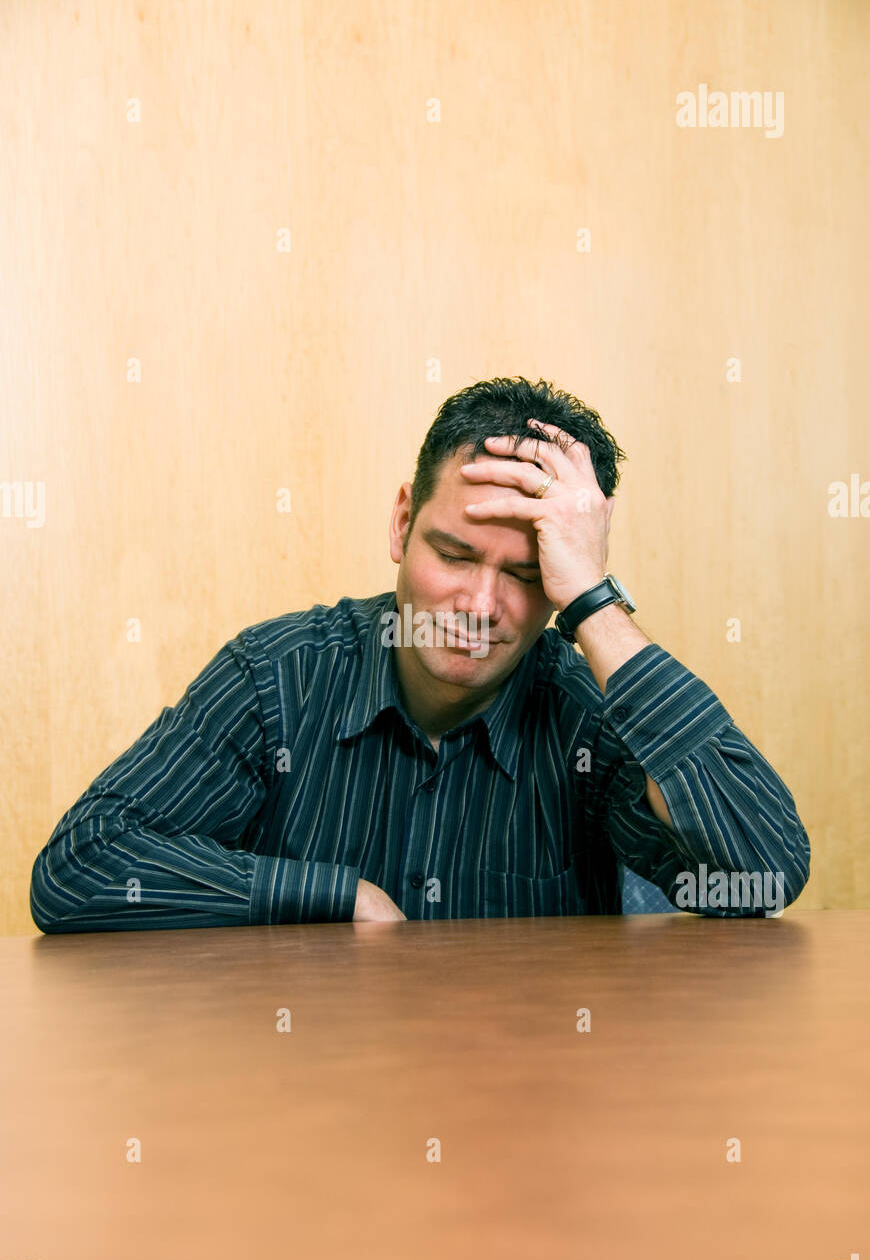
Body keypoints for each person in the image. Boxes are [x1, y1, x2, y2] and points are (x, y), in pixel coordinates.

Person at [30, 376, 810, 931]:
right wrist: (334, 896)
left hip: (530, 1112)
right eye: (455, 553)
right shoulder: (277, 679)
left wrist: (596, 607)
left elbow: (764, 877)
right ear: (403, 523)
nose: (478, 606)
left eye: (530, 577)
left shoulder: (586, 719)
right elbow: (79, 867)